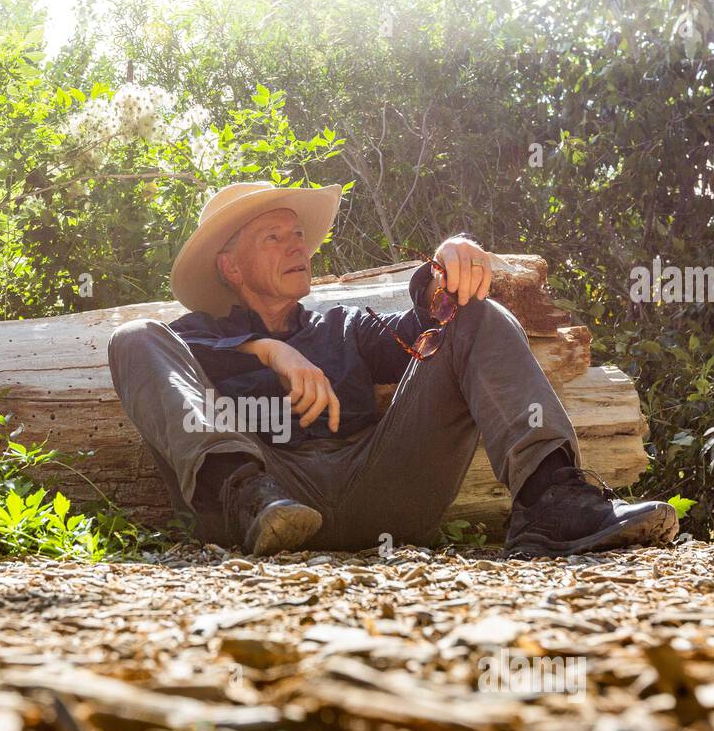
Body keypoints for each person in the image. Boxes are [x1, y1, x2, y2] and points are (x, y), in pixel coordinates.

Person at [108, 181, 678, 557]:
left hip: (377, 487)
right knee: (131, 337)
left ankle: (551, 500)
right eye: (273, 237)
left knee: (477, 315)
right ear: (229, 266)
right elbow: (166, 365)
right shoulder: (195, 335)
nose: (296, 247)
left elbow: (427, 331)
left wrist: (448, 264)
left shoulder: (344, 326)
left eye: (298, 235)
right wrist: (267, 349)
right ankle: (246, 493)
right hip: (260, 499)